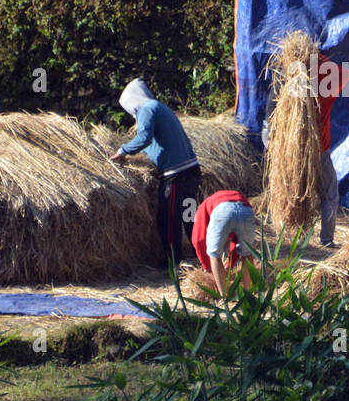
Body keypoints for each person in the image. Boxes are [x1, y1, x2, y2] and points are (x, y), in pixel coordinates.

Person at [110, 78, 201, 269]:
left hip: (176, 176)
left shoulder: (146, 109)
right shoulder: (159, 107)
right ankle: (201, 255)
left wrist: (123, 151)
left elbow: (144, 137)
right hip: (191, 171)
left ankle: (172, 262)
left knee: (168, 218)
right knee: (189, 215)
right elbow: (156, 142)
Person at [190, 190, 260, 297]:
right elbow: (236, 243)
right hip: (246, 209)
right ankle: (248, 294)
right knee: (246, 253)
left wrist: (207, 267)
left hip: (222, 211)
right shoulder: (231, 196)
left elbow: (198, 239)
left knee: (214, 255)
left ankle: (224, 297)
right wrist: (229, 266)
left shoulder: (203, 206)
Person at [314, 51, 348, 249]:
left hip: (296, 156)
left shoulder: (292, 96)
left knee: (300, 196)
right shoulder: (324, 94)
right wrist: (319, 58)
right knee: (330, 194)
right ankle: (326, 240)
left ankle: (295, 239)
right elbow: (344, 73)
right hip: (319, 152)